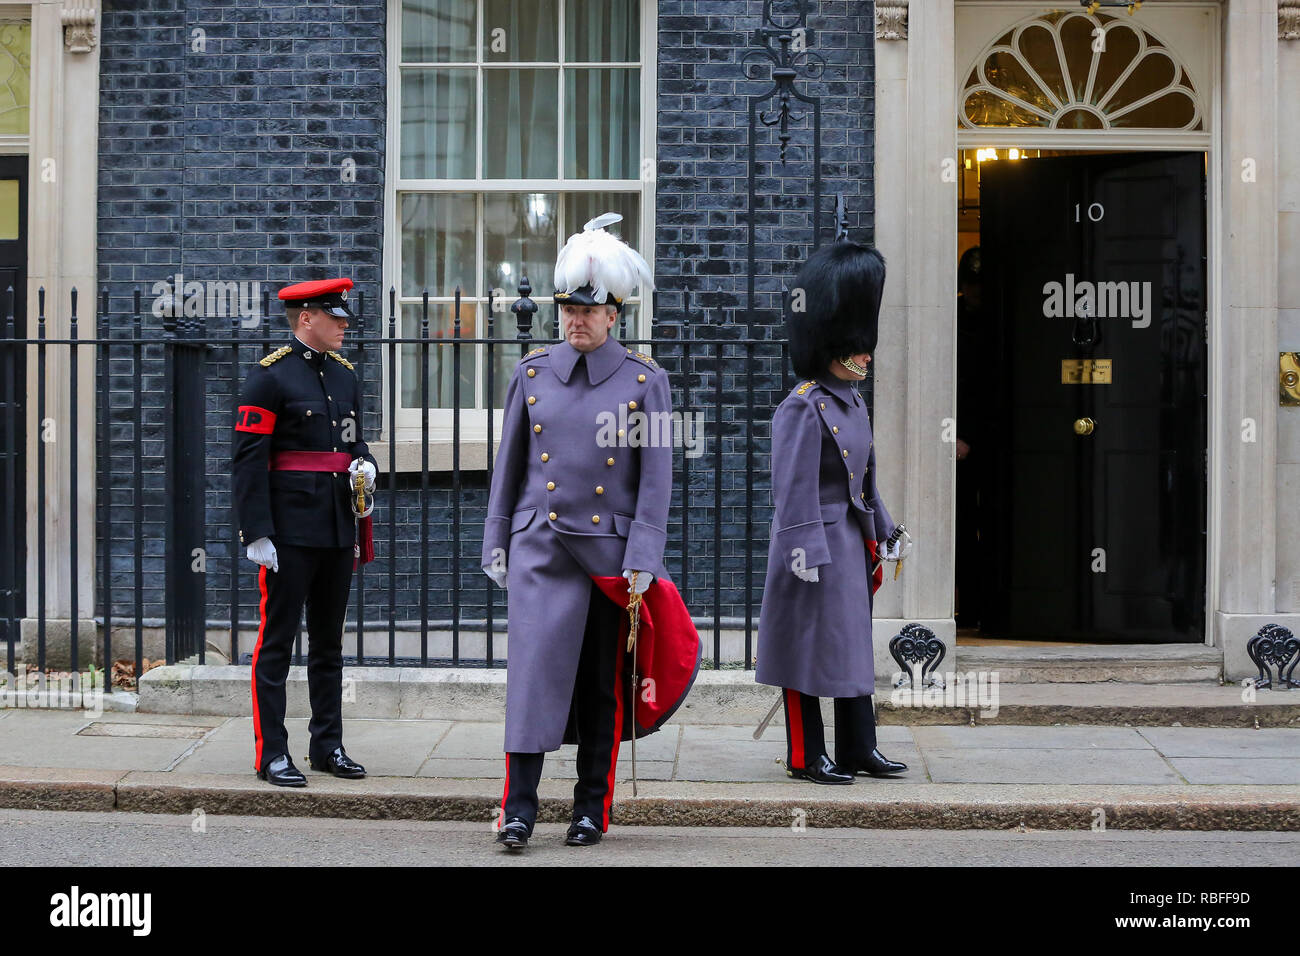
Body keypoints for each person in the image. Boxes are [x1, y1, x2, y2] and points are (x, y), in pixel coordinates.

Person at [483, 213, 700, 850]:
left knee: (599, 686)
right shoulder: (529, 375)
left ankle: (590, 809)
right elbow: (510, 466)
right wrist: (498, 537)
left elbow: (656, 480)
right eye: (568, 309)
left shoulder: (644, 382)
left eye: (590, 310)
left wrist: (645, 556)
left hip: (606, 554)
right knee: (529, 683)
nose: (576, 319)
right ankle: (517, 808)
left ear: (615, 314)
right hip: (540, 548)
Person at [756, 239, 913, 784]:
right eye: (858, 346)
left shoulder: (853, 401)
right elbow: (791, 487)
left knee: (849, 651)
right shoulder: (802, 405)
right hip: (812, 545)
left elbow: (864, 483)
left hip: (849, 542)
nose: (867, 354)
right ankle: (805, 754)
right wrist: (800, 547)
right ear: (832, 345)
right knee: (804, 653)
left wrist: (887, 530)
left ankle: (858, 747)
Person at [232, 277, 376, 787]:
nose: (343, 325)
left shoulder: (344, 377)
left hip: (337, 525)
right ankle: (272, 752)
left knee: (329, 644)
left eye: (343, 317)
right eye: (334, 317)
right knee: (276, 643)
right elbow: (249, 460)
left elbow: (352, 441)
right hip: (289, 531)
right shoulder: (269, 378)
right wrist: (256, 532)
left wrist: (366, 464)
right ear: (305, 318)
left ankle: (327, 744)